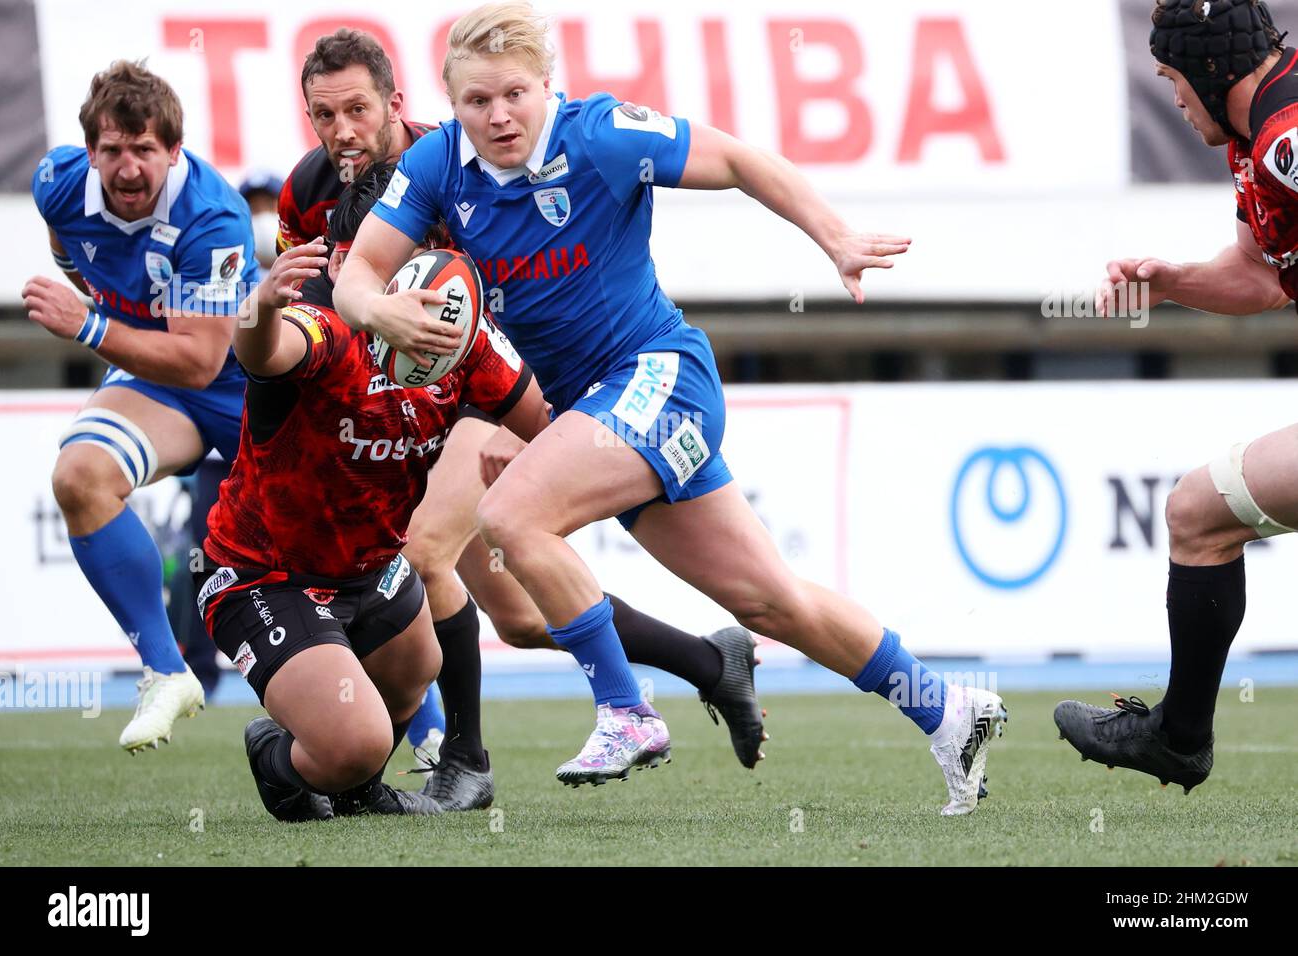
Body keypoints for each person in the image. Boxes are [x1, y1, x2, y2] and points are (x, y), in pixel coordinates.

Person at [334, 1, 1006, 814]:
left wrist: (833, 236)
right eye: (477, 101)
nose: (498, 115)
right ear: (452, 104)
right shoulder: (441, 162)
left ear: (546, 84)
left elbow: (741, 159)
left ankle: (625, 710)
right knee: (771, 603)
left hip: (659, 376)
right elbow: (357, 274)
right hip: (599, 405)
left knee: (511, 517)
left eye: (514, 93)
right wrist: (378, 312)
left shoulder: (602, 134)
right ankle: (949, 710)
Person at [285, 30, 766, 809]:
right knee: (519, 617)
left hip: (490, 382)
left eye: (357, 110)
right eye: (323, 115)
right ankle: (713, 663)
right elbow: (322, 302)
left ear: (396, 105)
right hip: (403, 392)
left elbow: (529, 276)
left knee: (426, 550)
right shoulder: (305, 190)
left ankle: (462, 760)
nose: (341, 131)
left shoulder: (445, 153)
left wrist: (525, 422)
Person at [195, 168, 546, 821]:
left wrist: (526, 444)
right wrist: (260, 304)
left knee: (417, 666)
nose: (409, 283)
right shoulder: (325, 330)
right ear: (341, 263)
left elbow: (547, 421)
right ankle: (282, 761)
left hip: (368, 570)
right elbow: (263, 352)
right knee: (359, 743)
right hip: (264, 577)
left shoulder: (458, 336)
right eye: (380, 262)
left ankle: (352, 785)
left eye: (421, 254)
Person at [1055, 0, 1294, 793]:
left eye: (1172, 80)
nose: (1174, 99)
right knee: (1198, 512)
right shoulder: (1259, 135)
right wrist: (1174, 283)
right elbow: (1264, 276)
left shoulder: (1286, 136)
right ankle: (1179, 738)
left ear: (1206, 68)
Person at [24, 60, 258, 752]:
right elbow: (65, 236)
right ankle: (165, 668)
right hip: (158, 383)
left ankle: (429, 728)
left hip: (249, 387)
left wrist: (88, 324)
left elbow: (201, 359)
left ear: (173, 150)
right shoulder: (58, 183)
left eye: (143, 149)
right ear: (91, 149)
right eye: (111, 150)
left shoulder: (212, 215)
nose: (126, 167)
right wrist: (82, 284)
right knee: (80, 477)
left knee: (337, 551)